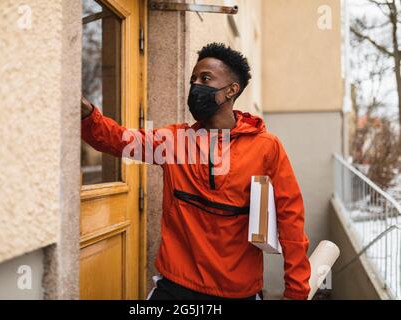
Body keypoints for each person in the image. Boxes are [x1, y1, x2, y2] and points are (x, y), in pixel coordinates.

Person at [81, 43, 311, 300]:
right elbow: (119, 140)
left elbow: (290, 219)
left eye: (205, 78)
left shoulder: (267, 147)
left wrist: (296, 290)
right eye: (193, 79)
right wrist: (87, 114)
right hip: (177, 286)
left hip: (239, 291)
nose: (195, 86)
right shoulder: (174, 140)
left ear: (231, 91)